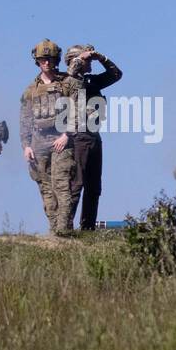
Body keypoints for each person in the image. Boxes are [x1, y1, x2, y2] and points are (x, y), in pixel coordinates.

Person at [20, 39, 85, 235]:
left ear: (56, 60)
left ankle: (63, 231)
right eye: (42, 60)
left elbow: (78, 110)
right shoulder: (30, 90)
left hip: (61, 141)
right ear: (37, 61)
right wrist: (26, 145)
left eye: (49, 59)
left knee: (61, 186)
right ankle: (54, 229)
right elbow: (25, 119)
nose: (46, 63)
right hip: (38, 143)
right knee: (46, 189)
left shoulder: (68, 83)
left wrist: (67, 135)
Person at [64, 44, 123, 231]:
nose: (89, 63)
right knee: (76, 184)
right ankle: (65, 226)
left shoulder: (92, 82)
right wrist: (81, 59)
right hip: (77, 137)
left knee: (94, 186)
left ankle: (87, 227)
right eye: (86, 60)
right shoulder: (66, 81)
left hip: (94, 136)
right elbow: (72, 77)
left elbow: (116, 75)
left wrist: (102, 59)